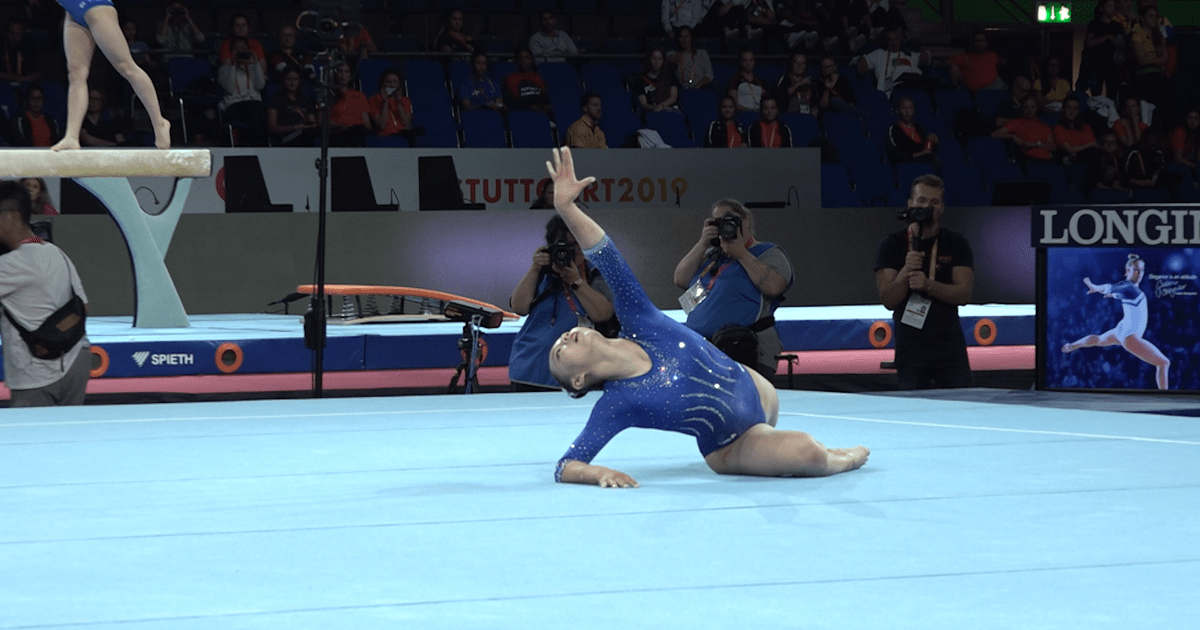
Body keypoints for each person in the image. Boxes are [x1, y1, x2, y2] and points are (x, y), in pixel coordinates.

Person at [545, 147, 867, 488]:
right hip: (732, 444)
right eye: (559, 353)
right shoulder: (617, 403)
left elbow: (606, 255)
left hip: (759, 389)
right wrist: (598, 473)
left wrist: (567, 208)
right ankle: (833, 458)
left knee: (803, 449)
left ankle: (817, 453)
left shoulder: (639, 320)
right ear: (579, 380)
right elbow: (566, 465)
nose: (563, 339)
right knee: (807, 452)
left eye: (560, 340)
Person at [672, 198, 793, 377]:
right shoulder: (712, 256)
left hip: (743, 350)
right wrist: (703, 242)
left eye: (728, 219)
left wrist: (740, 253)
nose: (723, 225)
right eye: (717, 221)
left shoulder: (767, 252)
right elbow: (680, 279)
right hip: (701, 351)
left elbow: (775, 287)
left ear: (746, 220)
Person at [874, 174, 974, 390]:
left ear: (942, 208)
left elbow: (964, 294)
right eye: (921, 200)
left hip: (949, 347)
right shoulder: (891, 245)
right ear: (910, 204)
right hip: (911, 348)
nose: (927, 207)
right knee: (914, 406)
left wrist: (929, 285)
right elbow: (888, 299)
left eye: (934, 202)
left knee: (961, 404)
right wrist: (905, 272)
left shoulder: (956, 242)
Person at [0, 182, 90, 408]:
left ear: (12, 216)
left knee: (28, 432)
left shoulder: (11, 264)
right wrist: (58, 335)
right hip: (77, 359)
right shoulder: (56, 252)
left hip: (37, 373)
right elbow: (84, 306)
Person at [508, 215, 615, 391]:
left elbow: (603, 314)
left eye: (576, 244)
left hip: (576, 372)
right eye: (563, 245)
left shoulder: (594, 275)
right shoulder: (541, 273)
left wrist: (575, 281)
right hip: (529, 368)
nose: (572, 251)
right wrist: (534, 269)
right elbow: (519, 307)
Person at [51, 0, 172, 150]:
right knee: (76, 75)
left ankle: (159, 123)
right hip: (72, 13)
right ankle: (72, 136)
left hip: (94, 6)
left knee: (127, 67)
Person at [1061, 253, 1170, 389]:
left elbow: (1118, 292)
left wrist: (1113, 294)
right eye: (1136, 270)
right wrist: (1097, 287)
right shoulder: (1128, 286)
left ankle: (1072, 346)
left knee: (1098, 339)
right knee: (1164, 363)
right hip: (1130, 336)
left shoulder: (1129, 288)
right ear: (1128, 270)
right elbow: (1112, 287)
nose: (1139, 273)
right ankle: (1163, 397)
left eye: (1142, 270)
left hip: (1122, 329)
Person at [217, 36, 267, 146]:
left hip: (254, 105)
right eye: (237, 49)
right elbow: (230, 89)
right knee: (257, 114)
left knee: (258, 115)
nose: (240, 51)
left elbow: (260, 85)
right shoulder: (224, 69)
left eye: (244, 48)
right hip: (234, 106)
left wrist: (256, 62)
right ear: (231, 52)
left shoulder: (253, 68)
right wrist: (233, 65)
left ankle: (256, 147)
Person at [855, 26, 930, 96]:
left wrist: (925, 55)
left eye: (896, 39)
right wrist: (862, 60)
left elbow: (926, 59)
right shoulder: (879, 54)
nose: (894, 43)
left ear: (900, 39)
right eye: (890, 40)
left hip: (914, 84)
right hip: (895, 90)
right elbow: (860, 59)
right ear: (885, 42)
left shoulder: (909, 54)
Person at [991, 94, 1055, 164]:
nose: (1029, 110)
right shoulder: (1017, 123)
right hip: (1030, 160)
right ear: (1022, 109)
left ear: (1036, 108)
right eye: (1026, 107)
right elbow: (994, 134)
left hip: (1048, 161)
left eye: (1032, 107)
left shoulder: (1044, 126)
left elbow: (1052, 146)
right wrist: (1013, 136)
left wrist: (1036, 144)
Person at [1129, 3, 1169, 115]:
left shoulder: (1159, 36)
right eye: (1150, 16)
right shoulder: (1137, 35)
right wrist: (1157, 60)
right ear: (1143, 18)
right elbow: (1141, 61)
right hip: (1143, 78)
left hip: (1158, 77)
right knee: (1145, 109)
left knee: (1161, 108)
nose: (1154, 19)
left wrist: (1150, 59)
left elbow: (1165, 58)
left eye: (1155, 16)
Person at [1080, 0, 1124, 97]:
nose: (1112, 9)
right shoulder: (1094, 24)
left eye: (1113, 6)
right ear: (1102, 8)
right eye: (1109, 6)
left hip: (1113, 65)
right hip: (1096, 64)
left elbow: (1122, 44)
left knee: (1112, 94)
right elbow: (1089, 43)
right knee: (1096, 94)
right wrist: (1107, 37)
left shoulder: (1118, 26)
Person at [266, 65, 317, 147]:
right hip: (286, 138)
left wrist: (306, 125)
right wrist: (295, 127)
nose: (292, 83)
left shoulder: (306, 101)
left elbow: (312, 123)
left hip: (305, 135)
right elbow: (272, 127)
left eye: (295, 79)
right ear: (283, 81)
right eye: (288, 79)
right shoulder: (275, 100)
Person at [887, 95, 939, 171]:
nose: (907, 112)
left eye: (910, 108)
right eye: (903, 108)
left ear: (914, 110)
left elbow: (926, 148)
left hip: (924, 160)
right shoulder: (894, 129)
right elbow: (896, 155)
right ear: (898, 110)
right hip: (906, 164)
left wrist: (933, 141)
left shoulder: (919, 128)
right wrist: (920, 153)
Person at [327, 61, 370, 147]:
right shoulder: (329, 95)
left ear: (351, 75)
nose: (343, 75)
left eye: (346, 72)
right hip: (337, 132)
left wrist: (352, 126)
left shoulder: (359, 96)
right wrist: (339, 125)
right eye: (340, 71)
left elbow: (367, 124)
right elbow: (323, 122)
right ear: (335, 74)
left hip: (356, 132)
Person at [368, 67, 414, 139]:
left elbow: (407, 124)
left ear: (399, 84)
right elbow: (381, 125)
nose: (392, 85)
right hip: (386, 135)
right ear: (382, 83)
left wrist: (398, 103)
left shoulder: (405, 100)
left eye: (395, 82)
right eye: (388, 82)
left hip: (403, 133)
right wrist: (385, 102)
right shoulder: (374, 100)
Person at [1053, 95, 1099, 165]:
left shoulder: (1086, 127)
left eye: (1075, 108)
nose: (1072, 111)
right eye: (1069, 107)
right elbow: (1070, 149)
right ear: (1063, 109)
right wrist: (1089, 144)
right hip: (1069, 162)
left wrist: (1077, 152)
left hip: (1088, 161)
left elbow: (1095, 146)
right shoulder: (1058, 129)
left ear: (1078, 111)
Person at [502, 47, 551, 113]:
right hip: (521, 113)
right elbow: (509, 103)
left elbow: (545, 98)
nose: (523, 61)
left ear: (532, 60)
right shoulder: (510, 79)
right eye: (520, 58)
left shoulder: (538, 78)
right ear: (516, 60)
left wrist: (545, 106)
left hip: (540, 112)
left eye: (527, 58)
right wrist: (529, 107)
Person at [667, 25, 713, 90]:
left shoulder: (701, 53)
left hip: (701, 88)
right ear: (678, 39)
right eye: (681, 36)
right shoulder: (673, 54)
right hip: (682, 89)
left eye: (687, 36)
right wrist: (668, 60)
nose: (684, 40)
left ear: (691, 38)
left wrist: (697, 86)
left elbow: (709, 75)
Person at [635, 48, 680, 115]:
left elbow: (673, 98)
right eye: (654, 58)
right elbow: (644, 104)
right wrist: (656, 108)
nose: (656, 62)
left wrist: (661, 106)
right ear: (649, 59)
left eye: (659, 59)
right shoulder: (641, 80)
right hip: (652, 113)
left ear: (663, 61)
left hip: (670, 111)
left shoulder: (670, 76)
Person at [727, 49, 768, 113]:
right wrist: (752, 111)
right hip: (742, 114)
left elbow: (766, 100)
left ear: (754, 62)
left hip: (760, 114)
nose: (748, 63)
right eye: (745, 60)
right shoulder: (734, 81)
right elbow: (734, 105)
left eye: (751, 60)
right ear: (740, 62)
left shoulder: (760, 81)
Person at [1, 18, 41, 84]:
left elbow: (37, 72)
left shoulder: (28, 45)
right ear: (7, 32)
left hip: (24, 83)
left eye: (18, 34)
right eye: (12, 33)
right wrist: (14, 77)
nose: (15, 37)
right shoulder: (2, 44)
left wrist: (28, 78)